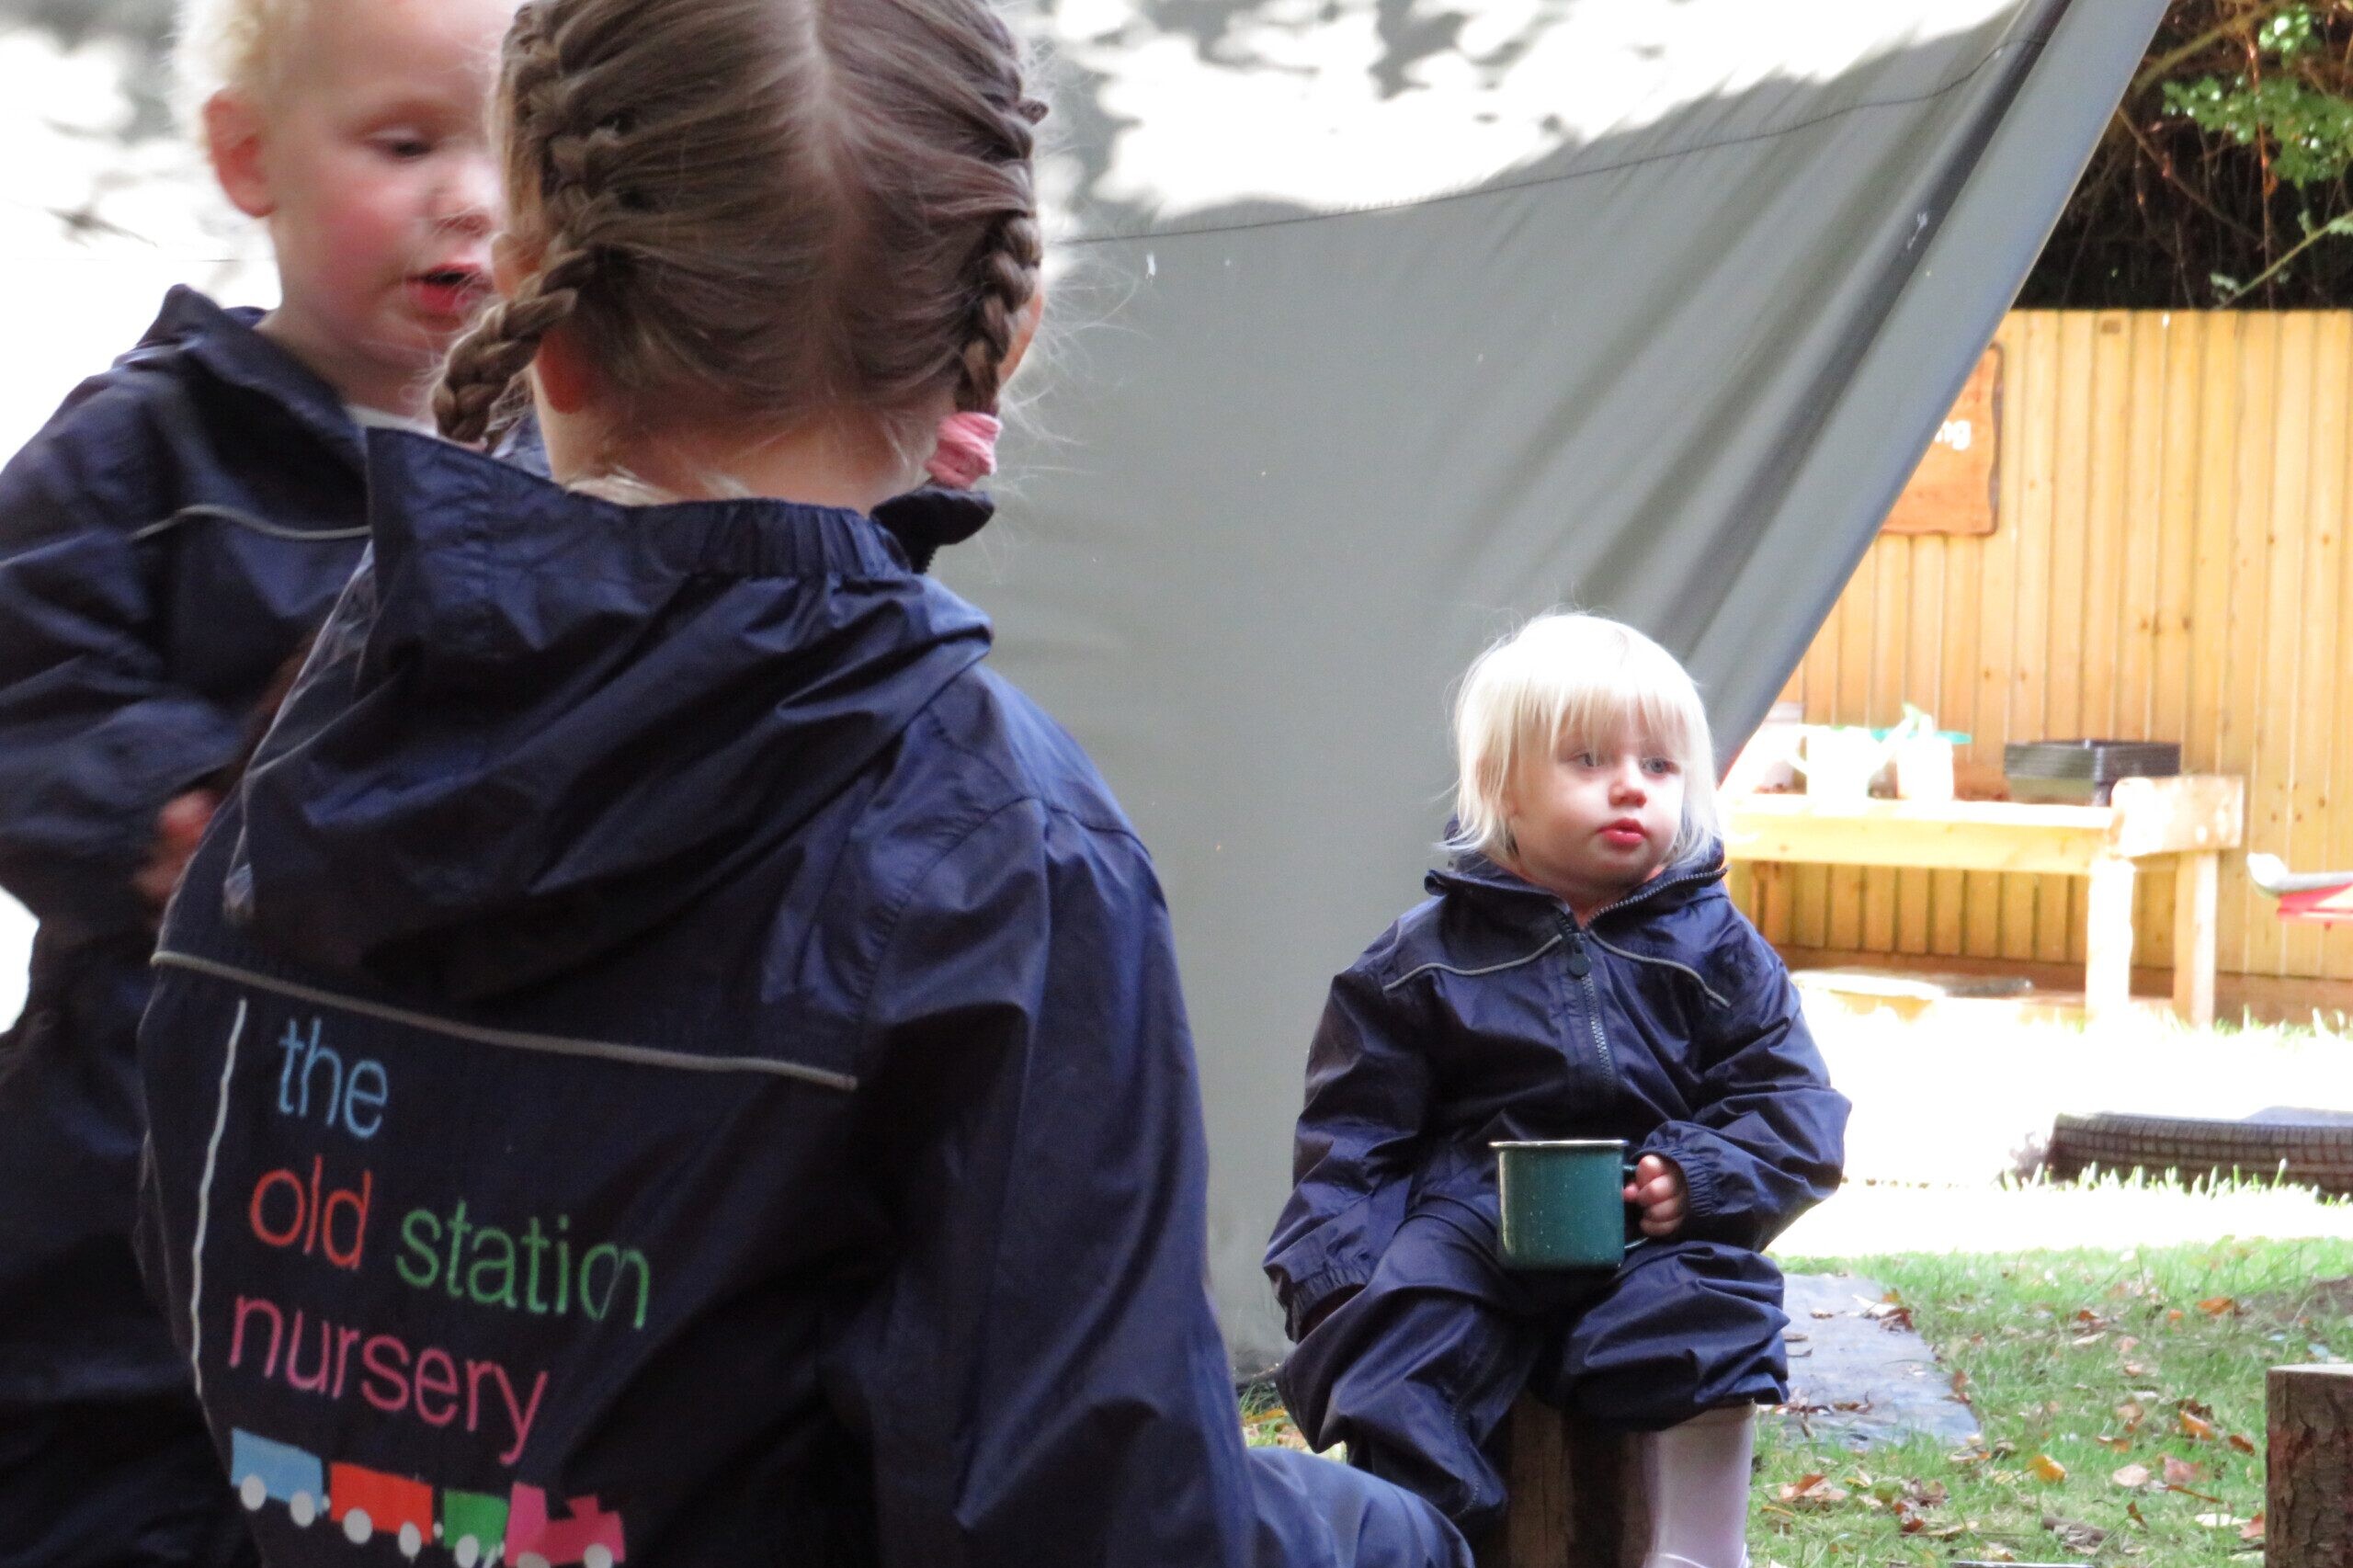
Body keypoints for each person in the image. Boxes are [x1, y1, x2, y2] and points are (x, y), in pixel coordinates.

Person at [131, 2, 1470, 1563]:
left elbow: (191, 1234)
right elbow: (1094, 1519)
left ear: (531, 289)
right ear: (1008, 327)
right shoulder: (1000, 850)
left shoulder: (331, 708)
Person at [0, 0, 516, 1561]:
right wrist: (166, 816)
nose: (474, 199)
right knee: (106, 1462)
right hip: (139, 1125)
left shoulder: (558, 470)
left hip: (422, 1153)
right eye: (408, 142)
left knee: (395, 1483)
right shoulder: (146, 447)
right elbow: (24, 686)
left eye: (517, 151)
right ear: (249, 161)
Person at [1264, 612, 1850, 1566]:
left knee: (1716, 1311)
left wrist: (1697, 1173)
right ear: (1504, 790)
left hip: (1647, 1222)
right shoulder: (1420, 958)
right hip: (1473, 1220)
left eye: (1659, 766)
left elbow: (1790, 1104)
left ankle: (1700, 1548)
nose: (1629, 784)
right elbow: (1350, 1130)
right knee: (1398, 1346)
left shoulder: (1719, 949)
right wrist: (1337, 1279)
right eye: (1587, 759)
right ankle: (1421, 1543)